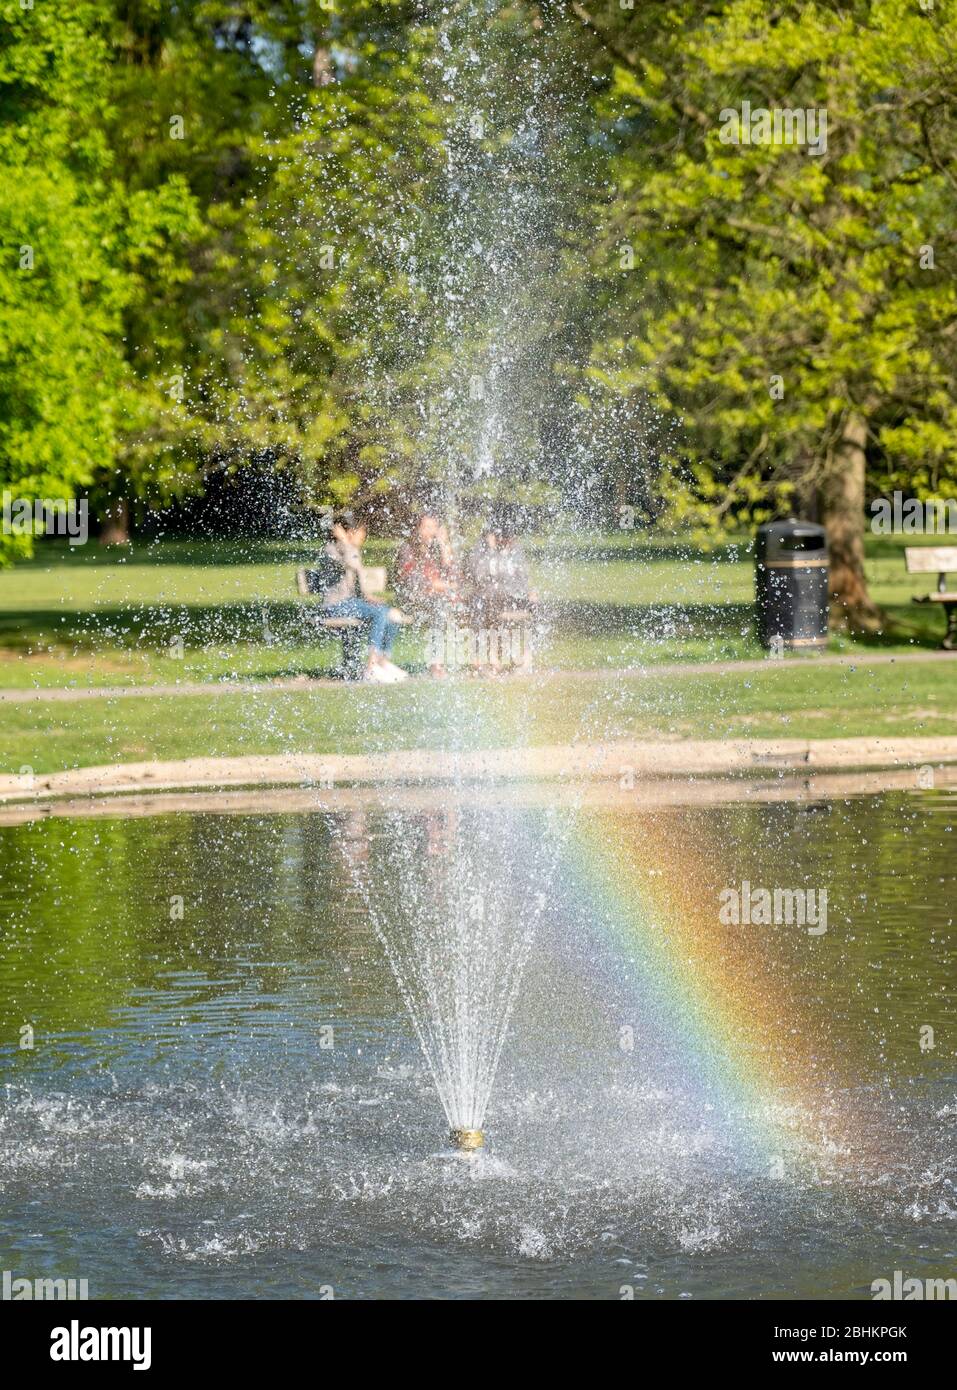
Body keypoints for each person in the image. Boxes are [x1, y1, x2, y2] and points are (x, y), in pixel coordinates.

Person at [319, 512, 408, 683]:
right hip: (334, 605)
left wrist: (367, 597)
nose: (364, 536)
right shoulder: (330, 549)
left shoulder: (350, 550)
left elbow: (356, 576)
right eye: (360, 532)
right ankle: (371, 666)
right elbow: (352, 564)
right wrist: (345, 542)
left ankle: (383, 661)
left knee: (391, 614)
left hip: (350, 603)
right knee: (378, 613)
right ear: (349, 532)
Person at [464, 516, 538, 672]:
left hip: (512, 596)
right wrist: (491, 551)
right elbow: (478, 576)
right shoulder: (482, 549)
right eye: (503, 537)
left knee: (536, 607)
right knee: (482, 606)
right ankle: (488, 656)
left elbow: (522, 577)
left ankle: (526, 656)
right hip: (487, 596)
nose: (507, 541)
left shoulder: (515, 550)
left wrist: (529, 592)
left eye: (510, 538)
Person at [393, 513, 460, 676]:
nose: (431, 531)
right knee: (439, 607)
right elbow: (411, 580)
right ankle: (436, 663)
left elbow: (453, 577)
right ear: (417, 530)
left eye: (434, 528)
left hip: (436, 599)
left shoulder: (436, 550)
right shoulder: (407, 549)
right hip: (412, 601)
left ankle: (475, 661)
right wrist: (435, 585)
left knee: (444, 605)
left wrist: (444, 546)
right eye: (427, 527)